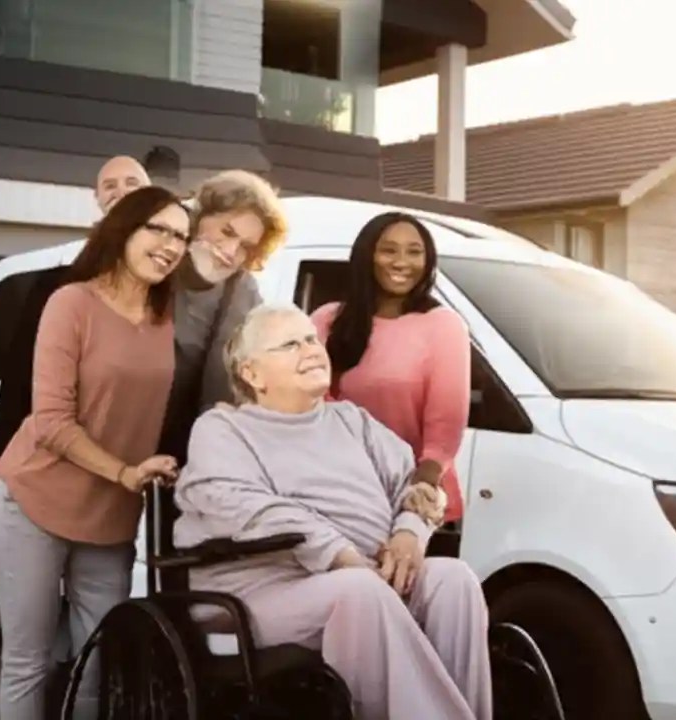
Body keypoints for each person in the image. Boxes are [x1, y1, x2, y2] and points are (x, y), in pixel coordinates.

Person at [173, 304, 491, 720]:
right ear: (252, 374)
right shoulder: (224, 429)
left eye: (311, 339)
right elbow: (239, 505)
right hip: (261, 593)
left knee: (453, 580)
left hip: (369, 576)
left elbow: (412, 487)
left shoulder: (352, 420)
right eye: (290, 344)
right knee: (358, 592)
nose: (310, 349)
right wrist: (339, 554)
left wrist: (408, 535)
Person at [0, 186, 190, 719]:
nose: (171, 244)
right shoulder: (72, 302)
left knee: (99, 664)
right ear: (123, 229)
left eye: (181, 236)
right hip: (32, 503)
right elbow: (50, 420)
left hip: (111, 517)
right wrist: (124, 472)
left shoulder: (168, 315)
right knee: (27, 662)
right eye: (158, 229)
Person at [310, 212, 471, 524]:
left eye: (414, 252)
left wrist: (423, 486)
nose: (401, 262)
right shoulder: (326, 320)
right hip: (338, 496)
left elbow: (446, 417)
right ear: (366, 255)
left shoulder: (443, 325)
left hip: (417, 498)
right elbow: (310, 403)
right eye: (388, 250)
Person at [158, 170, 286, 463]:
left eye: (246, 247)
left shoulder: (242, 291)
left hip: (183, 450)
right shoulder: (154, 257)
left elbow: (228, 387)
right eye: (227, 232)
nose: (230, 251)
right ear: (201, 216)